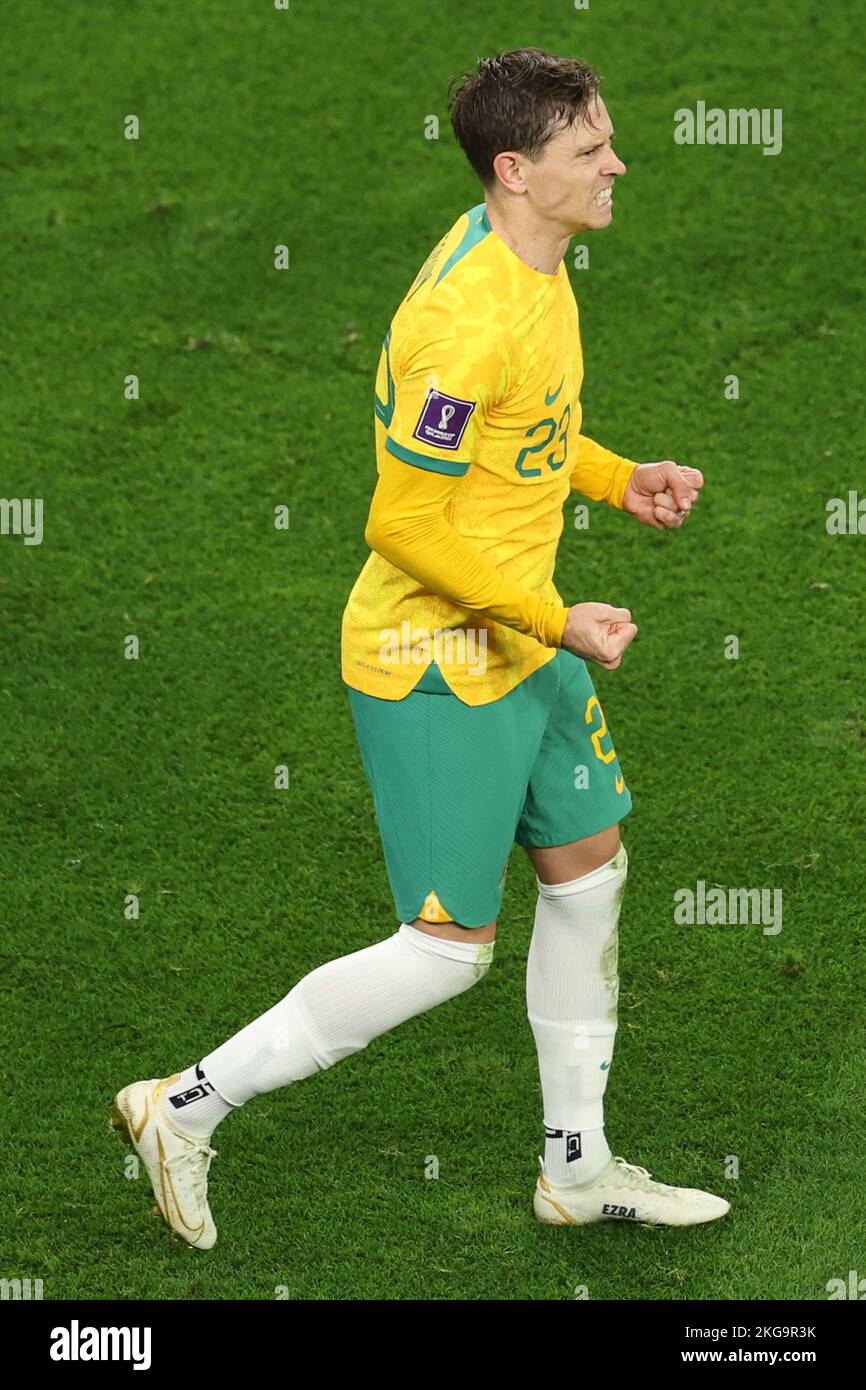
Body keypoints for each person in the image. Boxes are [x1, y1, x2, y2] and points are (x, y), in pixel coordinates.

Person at [112, 47, 728, 1249]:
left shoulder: (533, 257)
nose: (617, 163)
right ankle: (182, 1107)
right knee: (447, 949)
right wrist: (558, 618)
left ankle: (578, 1164)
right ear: (514, 170)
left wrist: (613, 479)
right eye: (589, 150)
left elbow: (528, 435)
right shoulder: (464, 320)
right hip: (433, 654)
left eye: (604, 138)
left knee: (587, 871)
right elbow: (400, 518)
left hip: (514, 626)